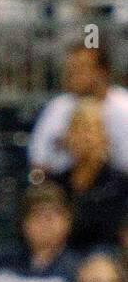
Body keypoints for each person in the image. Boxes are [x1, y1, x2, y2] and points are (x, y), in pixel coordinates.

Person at [28, 44, 128, 175]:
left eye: (80, 68)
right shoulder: (58, 106)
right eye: (69, 69)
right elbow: (38, 161)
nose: (71, 74)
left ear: (102, 71)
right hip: (64, 185)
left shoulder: (123, 107)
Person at [43, 101, 128, 251]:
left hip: (107, 256)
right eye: (76, 129)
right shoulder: (54, 183)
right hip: (60, 256)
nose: (83, 137)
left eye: (90, 129)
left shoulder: (121, 184)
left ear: (105, 138)